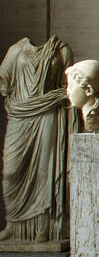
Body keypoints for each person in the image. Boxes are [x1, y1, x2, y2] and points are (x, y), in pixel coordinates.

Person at [0, 35, 75, 243]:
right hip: (20, 114)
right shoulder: (16, 49)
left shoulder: (62, 50)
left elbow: (70, 86)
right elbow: (3, 81)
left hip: (47, 115)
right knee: (10, 172)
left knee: (45, 171)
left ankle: (44, 226)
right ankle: (13, 224)